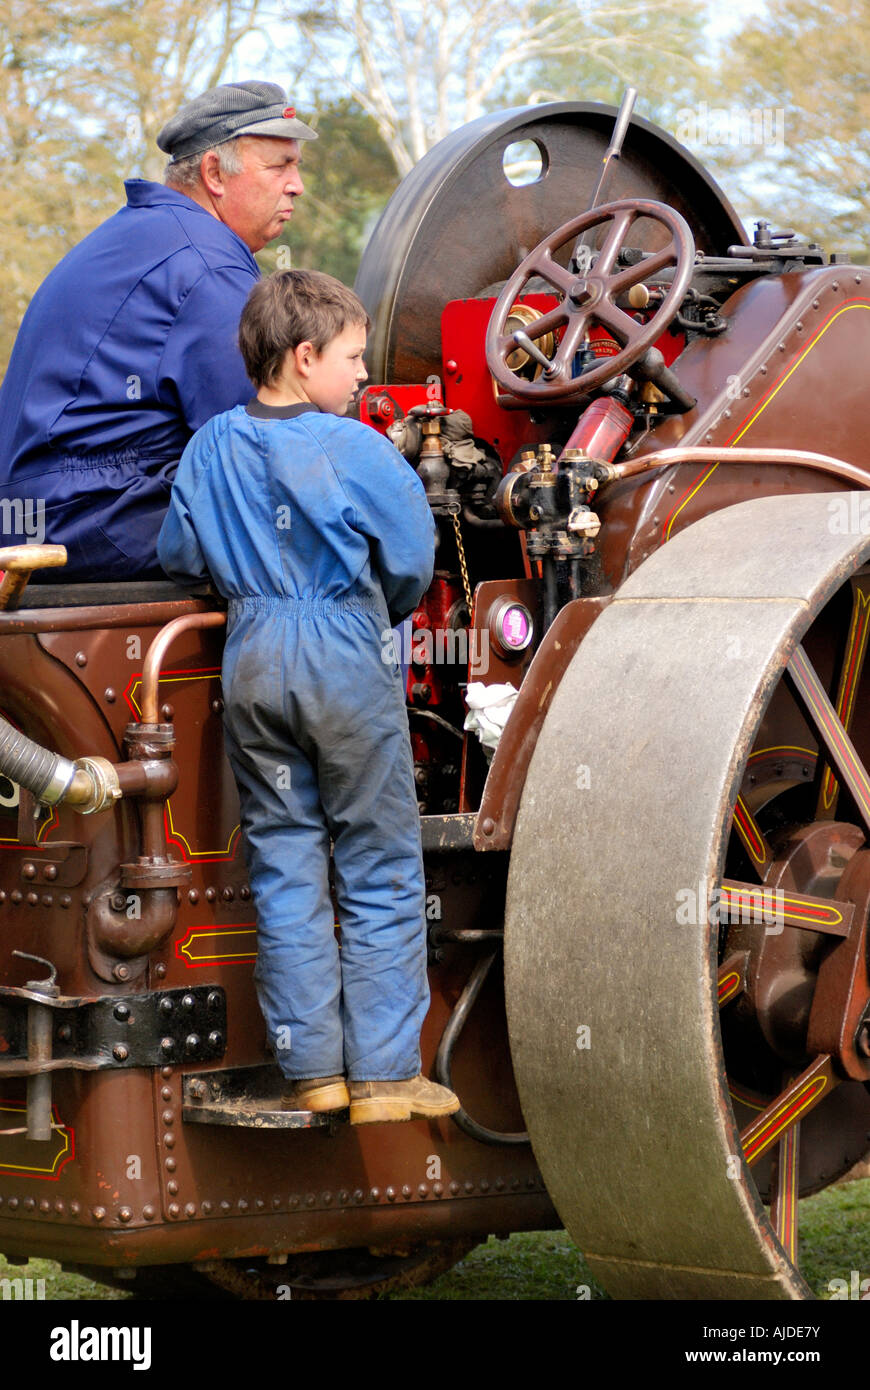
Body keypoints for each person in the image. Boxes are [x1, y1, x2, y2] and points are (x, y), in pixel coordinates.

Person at [157, 269, 460, 1124]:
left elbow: (180, 553)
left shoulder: (209, 445)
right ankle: (386, 1075)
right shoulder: (355, 447)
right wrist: (362, 613)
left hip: (251, 658)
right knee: (377, 863)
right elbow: (410, 558)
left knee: (285, 862)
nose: (363, 375)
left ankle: (312, 1071)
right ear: (304, 356)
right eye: (354, 358)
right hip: (340, 654)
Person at [0, 81, 316, 581]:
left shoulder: (139, 237)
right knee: (310, 530)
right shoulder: (206, 266)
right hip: (95, 520)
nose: (297, 183)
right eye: (280, 164)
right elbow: (264, 438)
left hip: (38, 515)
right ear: (214, 173)